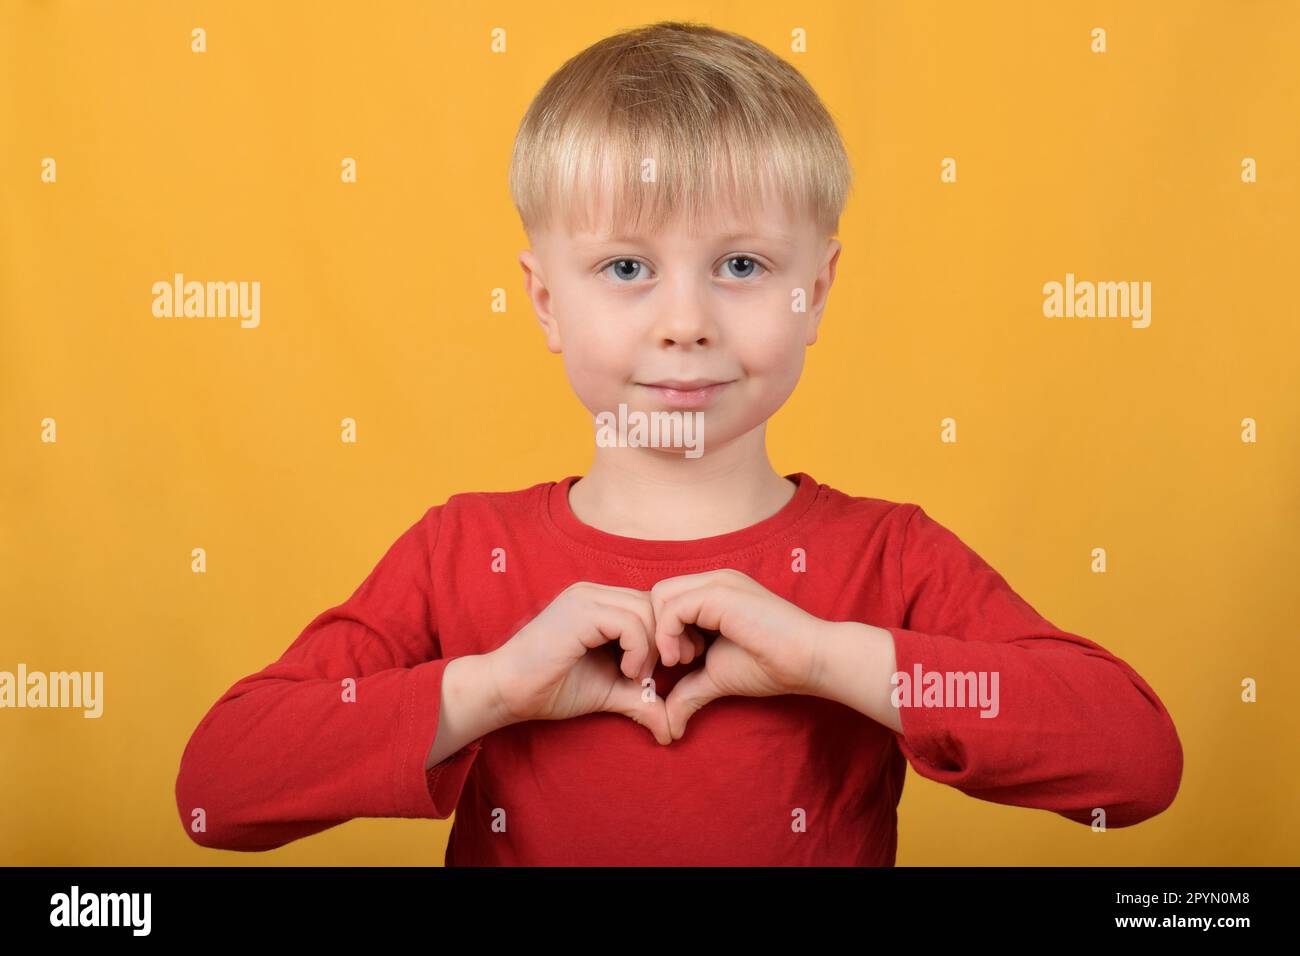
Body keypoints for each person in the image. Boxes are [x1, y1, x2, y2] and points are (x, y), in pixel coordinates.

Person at [175, 20, 1182, 865]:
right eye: (624, 267)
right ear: (543, 300)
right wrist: (488, 688)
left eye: (741, 262)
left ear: (815, 291)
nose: (684, 320)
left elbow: (1133, 757)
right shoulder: (457, 551)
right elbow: (218, 785)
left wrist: (832, 659)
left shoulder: (892, 558)